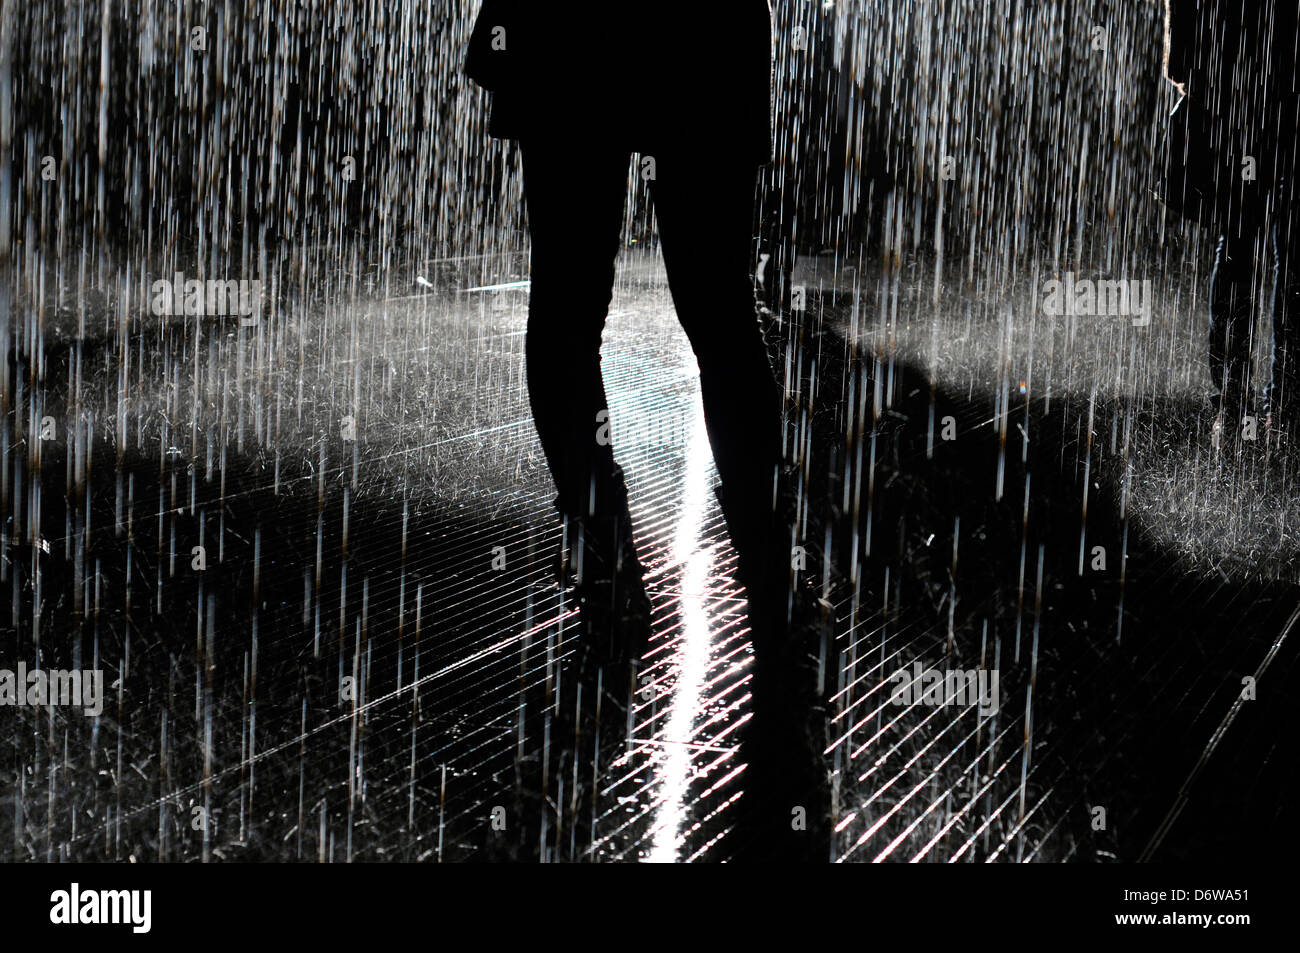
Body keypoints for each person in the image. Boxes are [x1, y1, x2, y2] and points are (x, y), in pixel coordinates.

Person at [465, 1, 829, 861]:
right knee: (718, 316)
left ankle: (606, 554)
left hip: (570, 29)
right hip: (691, 27)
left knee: (565, 312)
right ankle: (771, 588)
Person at [1163, 0, 1300, 450]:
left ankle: (1233, 403)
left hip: (1233, 99)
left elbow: (1179, 58)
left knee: (1238, 248)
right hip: (1283, 99)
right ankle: (1282, 404)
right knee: (1286, 256)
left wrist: (1198, 65)